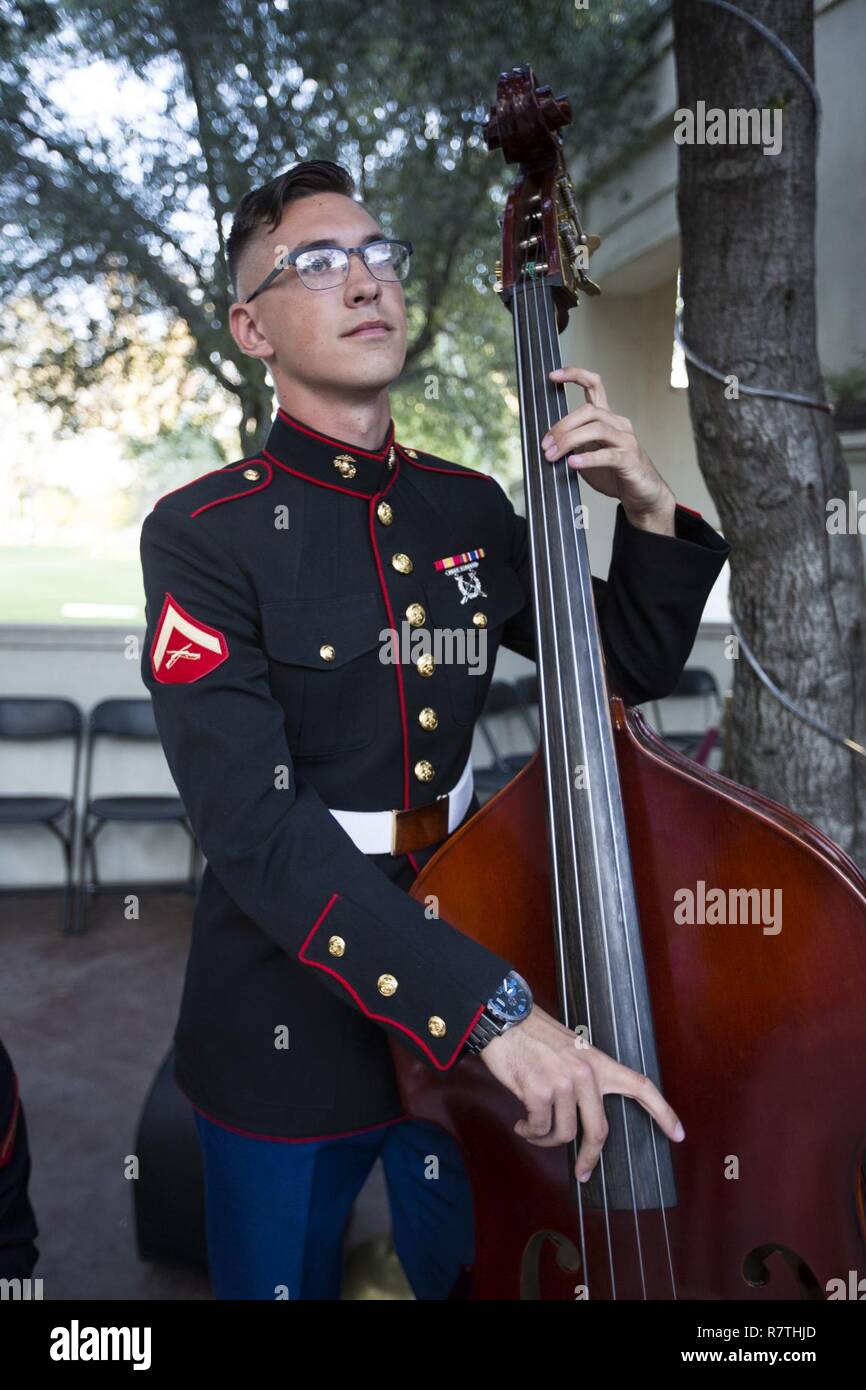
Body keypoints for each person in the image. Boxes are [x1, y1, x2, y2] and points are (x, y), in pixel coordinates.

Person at [138, 159, 730, 1300]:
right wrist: (489, 1006)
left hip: (470, 920)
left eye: (376, 253)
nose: (362, 280)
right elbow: (253, 827)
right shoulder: (204, 534)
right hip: (284, 994)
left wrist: (652, 508)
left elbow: (618, 669)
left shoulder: (460, 504)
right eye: (315, 263)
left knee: (467, 1269)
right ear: (250, 328)